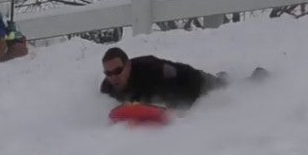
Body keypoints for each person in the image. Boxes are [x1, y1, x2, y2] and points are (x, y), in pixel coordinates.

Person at [99, 47, 268, 109]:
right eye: (108, 73)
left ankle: (256, 79)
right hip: (173, 86)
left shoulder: (150, 71)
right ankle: (221, 78)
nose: (113, 77)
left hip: (188, 79)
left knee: (221, 90)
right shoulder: (107, 87)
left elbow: (177, 86)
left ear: (127, 66)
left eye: (118, 70)